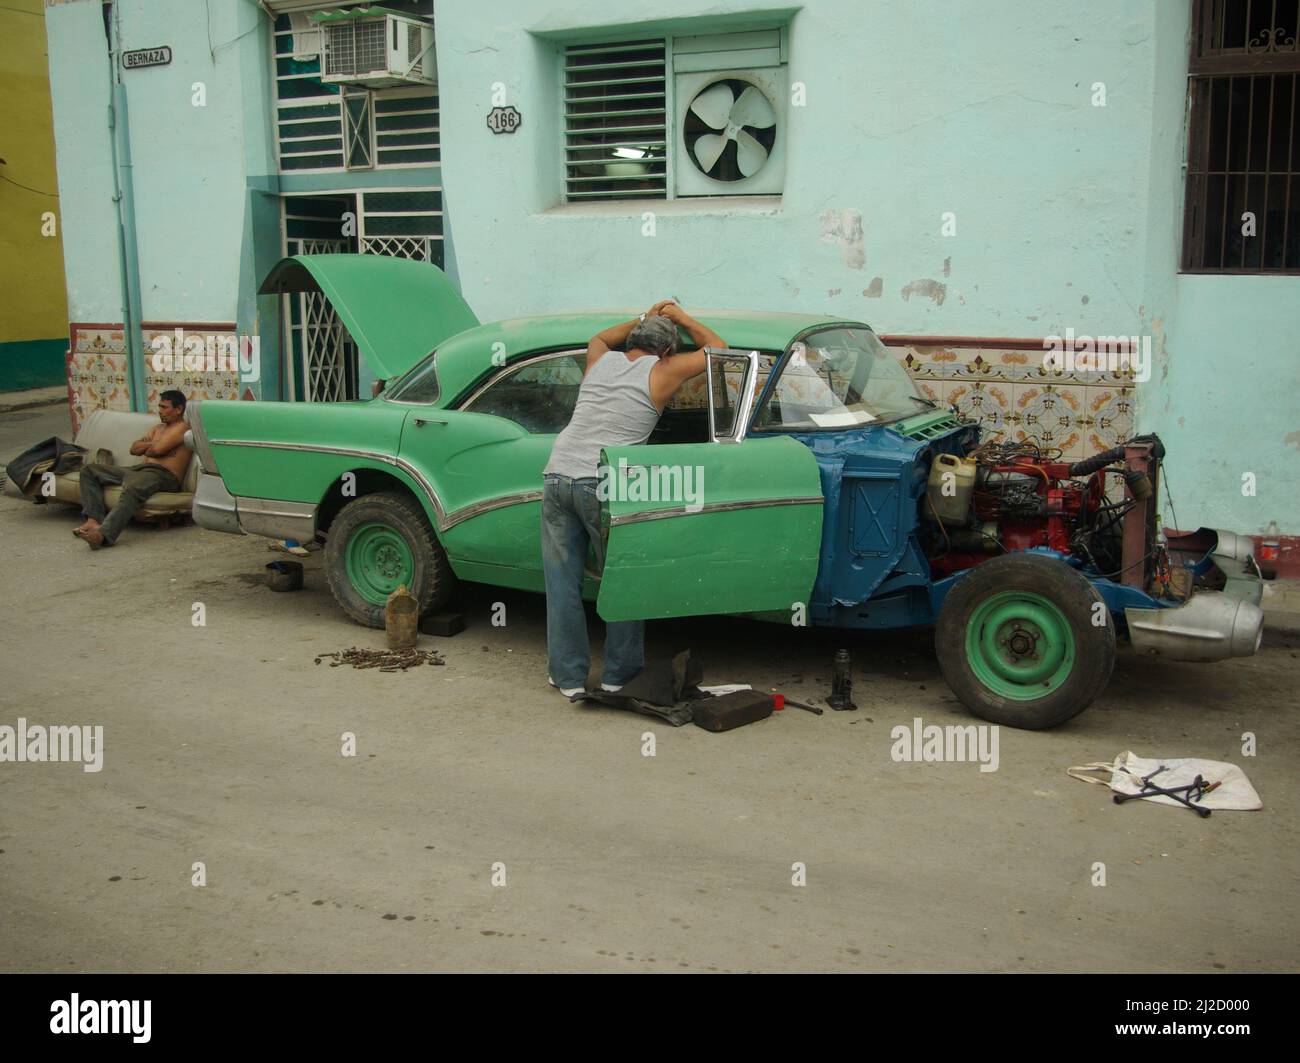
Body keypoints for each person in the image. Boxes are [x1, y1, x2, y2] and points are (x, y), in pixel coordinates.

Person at [541, 301, 725, 697]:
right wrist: (680, 318)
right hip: (601, 481)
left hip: (557, 474)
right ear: (667, 351)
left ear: (632, 342)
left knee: (562, 582)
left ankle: (568, 678)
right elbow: (720, 351)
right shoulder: (663, 369)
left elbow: (600, 337)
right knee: (623, 580)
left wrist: (642, 319)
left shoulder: (600, 360)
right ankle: (618, 676)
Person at [74, 390, 193, 550]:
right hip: (140, 470)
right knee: (90, 471)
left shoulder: (184, 427)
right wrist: (154, 445)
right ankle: (93, 520)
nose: (160, 411)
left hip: (164, 475)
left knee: (133, 486)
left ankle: (103, 535)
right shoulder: (157, 428)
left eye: (165, 407)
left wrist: (152, 446)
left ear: (178, 409)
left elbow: (157, 450)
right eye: (159, 406)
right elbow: (134, 449)